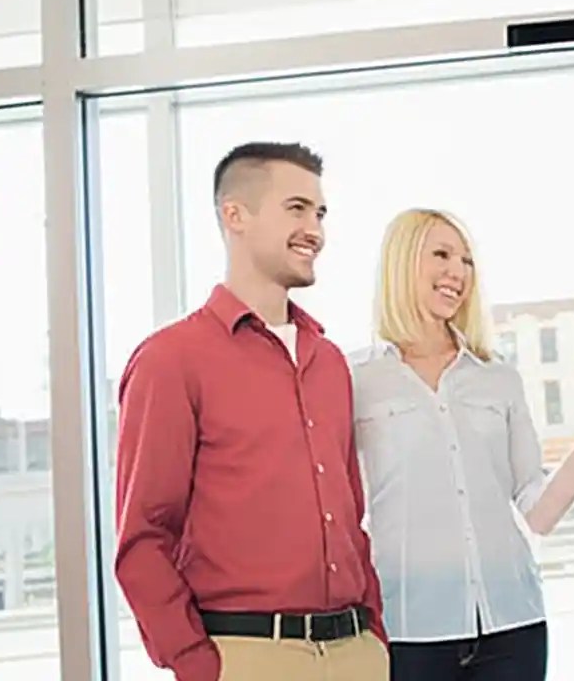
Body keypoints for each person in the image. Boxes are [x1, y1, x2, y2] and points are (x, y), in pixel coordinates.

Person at [113, 142, 389, 681]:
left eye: (320, 212)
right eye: (296, 208)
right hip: (247, 657)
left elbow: (351, 518)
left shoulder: (329, 361)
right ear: (234, 215)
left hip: (356, 653)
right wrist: (199, 664)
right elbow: (143, 537)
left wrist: (373, 636)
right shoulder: (170, 360)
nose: (316, 229)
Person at [350, 208, 574, 680]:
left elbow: (539, 510)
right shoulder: (355, 378)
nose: (458, 272)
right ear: (402, 261)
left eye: (466, 261)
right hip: (407, 631)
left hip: (513, 626)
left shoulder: (497, 377)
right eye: (442, 254)